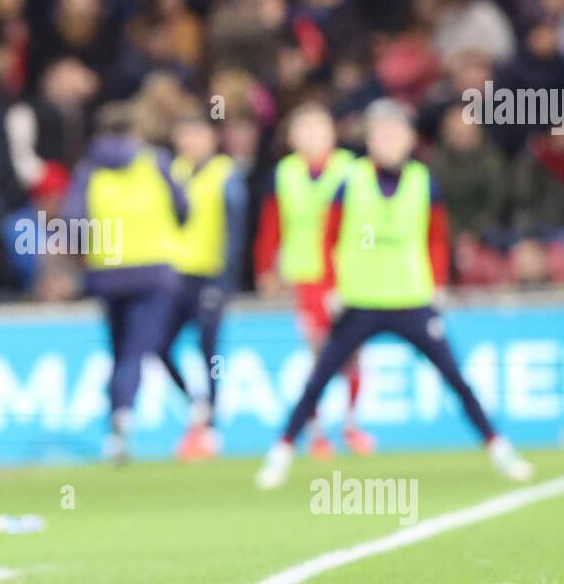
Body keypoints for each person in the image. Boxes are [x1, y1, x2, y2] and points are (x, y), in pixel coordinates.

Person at [255, 99, 533, 490]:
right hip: (361, 301)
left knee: (456, 378)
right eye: (380, 135)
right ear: (369, 141)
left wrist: (437, 284)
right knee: (318, 378)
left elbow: (436, 237)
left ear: (409, 140)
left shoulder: (423, 180)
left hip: (410, 299)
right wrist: (333, 287)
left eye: (395, 133)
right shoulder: (350, 181)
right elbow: (329, 238)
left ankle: (499, 448)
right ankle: (280, 453)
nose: (387, 141)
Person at [64, 102, 188, 463]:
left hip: (109, 273)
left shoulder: (89, 169)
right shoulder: (157, 162)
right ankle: (123, 419)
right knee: (137, 350)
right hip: (155, 271)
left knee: (120, 350)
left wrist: (84, 257)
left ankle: (117, 419)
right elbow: (183, 208)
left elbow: (73, 219)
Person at [270, 102, 373, 457]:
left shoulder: (353, 170)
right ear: (292, 137)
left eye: (318, 128)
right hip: (307, 274)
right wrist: (267, 267)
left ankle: (351, 423)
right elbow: (273, 222)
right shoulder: (285, 172)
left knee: (354, 351)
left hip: (348, 272)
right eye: (304, 129)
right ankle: (315, 430)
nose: (311, 137)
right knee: (319, 354)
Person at [158, 111, 247, 460]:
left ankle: (210, 426)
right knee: (158, 344)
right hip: (175, 276)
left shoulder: (226, 174)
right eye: (185, 134)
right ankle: (196, 406)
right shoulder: (171, 171)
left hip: (209, 276)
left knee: (211, 352)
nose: (190, 142)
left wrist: (225, 282)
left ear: (212, 137)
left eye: (197, 134)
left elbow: (235, 232)